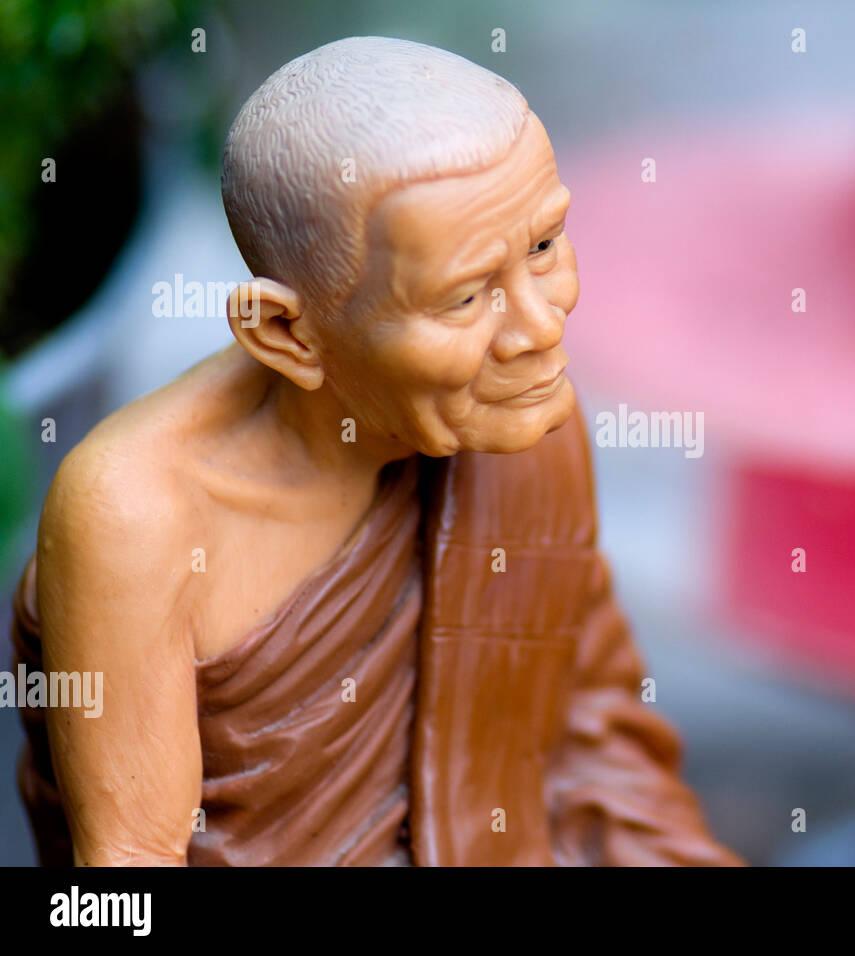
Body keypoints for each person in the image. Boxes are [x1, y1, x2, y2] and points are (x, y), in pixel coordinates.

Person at [12, 36, 740, 866]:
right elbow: (128, 875)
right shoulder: (140, 515)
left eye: (543, 248)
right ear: (286, 332)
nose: (540, 329)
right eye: (466, 296)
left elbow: (589, 736)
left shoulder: (518, 425)